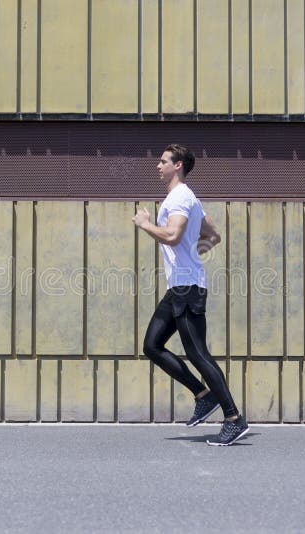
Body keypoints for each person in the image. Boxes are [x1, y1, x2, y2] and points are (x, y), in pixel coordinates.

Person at [132, 144, 249, 446]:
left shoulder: (181, 197)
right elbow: (214, 235)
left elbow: (172, 236)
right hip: (180, 287)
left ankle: (234, 419)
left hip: (187, 288)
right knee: (152, 345)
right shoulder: (188, 198)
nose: (157, 166)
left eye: (163, 161)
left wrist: (146, 224)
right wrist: (193, 256)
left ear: (178, 165)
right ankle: (202, 395)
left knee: (198, 353)